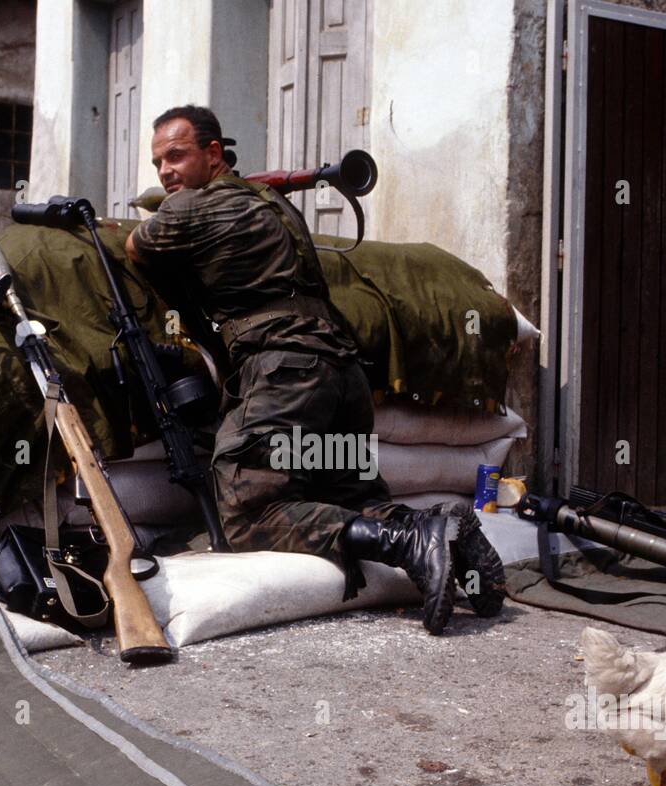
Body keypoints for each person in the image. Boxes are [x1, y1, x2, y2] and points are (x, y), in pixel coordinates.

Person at [124, 105, 505, 635]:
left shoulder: (191, 208)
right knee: (346, 495)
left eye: (177, 156)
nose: (166, 172)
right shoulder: (272, 201)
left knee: (248, 513)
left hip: (285, 376)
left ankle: (410, 540)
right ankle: (435, 529)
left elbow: (133, 247)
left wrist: (164, 209)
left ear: (214, 154)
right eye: (158, 162)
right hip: (340, 377)